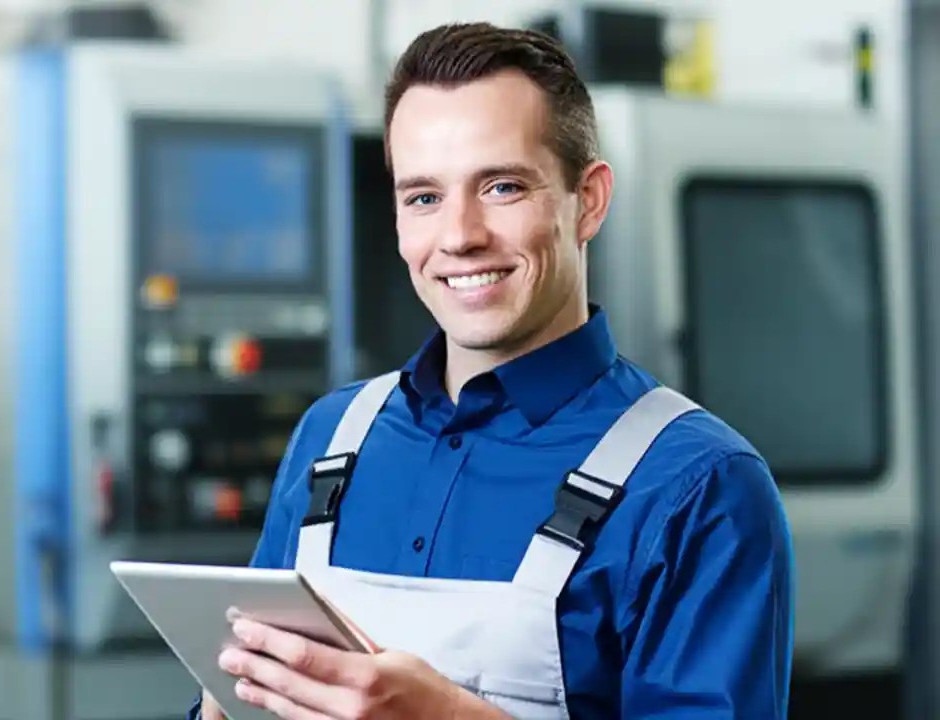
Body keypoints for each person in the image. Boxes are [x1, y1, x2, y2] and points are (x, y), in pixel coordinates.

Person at [191, 21, 793, 720]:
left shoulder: (700, 486)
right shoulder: (331, 438)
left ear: (588, 200)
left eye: (502, 187)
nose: (459, 236)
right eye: (424, 197)